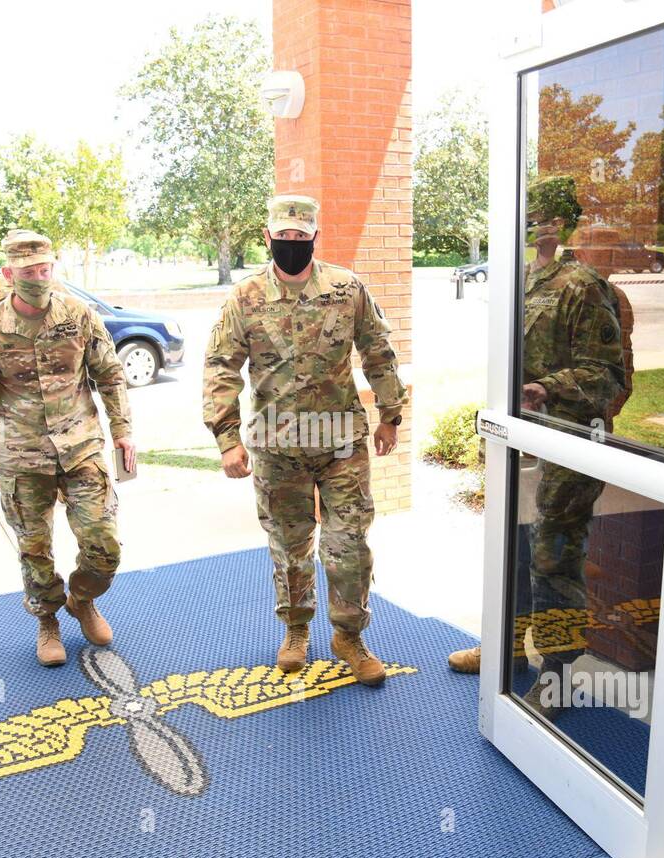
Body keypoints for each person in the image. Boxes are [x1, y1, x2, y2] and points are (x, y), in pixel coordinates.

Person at [203, 195, 407, 686]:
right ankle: (296, 629)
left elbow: (378, 351)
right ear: (268, 237)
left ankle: (349, 636)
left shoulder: (345, 288)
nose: (291, 244)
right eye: (283, 236)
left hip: (341, 444)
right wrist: (228, 440)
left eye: (300, 236)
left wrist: (390, 415)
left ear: (314, 237)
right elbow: (220, 368)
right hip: (278, 449)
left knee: (348, 544)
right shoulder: (245, 298)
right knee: (289, 545)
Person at [447, 177, 626, 722]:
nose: (533, 225)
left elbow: (607, 375)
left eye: (544, 216)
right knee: (513, 548)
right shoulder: (519, 279)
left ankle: (557, 674)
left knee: (553, 558)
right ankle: (507, 646)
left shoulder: (582, 285)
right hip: (519, 438)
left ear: (560, 224)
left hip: (567, 442)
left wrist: (549, 388)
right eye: (528, 215)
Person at [0, 230, 135, 666]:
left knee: (103, 542)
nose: (39, 277)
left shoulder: (78, 313)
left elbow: (109, 374)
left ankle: (83, 598)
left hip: (81, 445)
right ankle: (47, 618)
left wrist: (123, 429)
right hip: (22, 453)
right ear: (8, 273)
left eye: (45, 269)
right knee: (35, 548)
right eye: (29, 271)